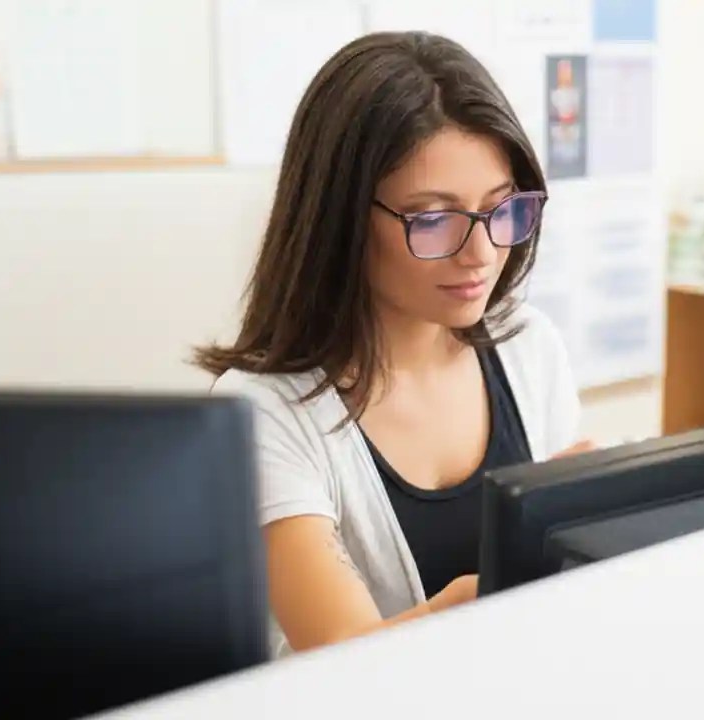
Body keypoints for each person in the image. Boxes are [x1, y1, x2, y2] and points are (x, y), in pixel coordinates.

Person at [195, 32, 588, 655]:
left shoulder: (528, 346)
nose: (481, 253)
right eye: (434, 219)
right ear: (342, 218)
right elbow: (344, 655)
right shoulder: (261, 413)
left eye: (501, 209)